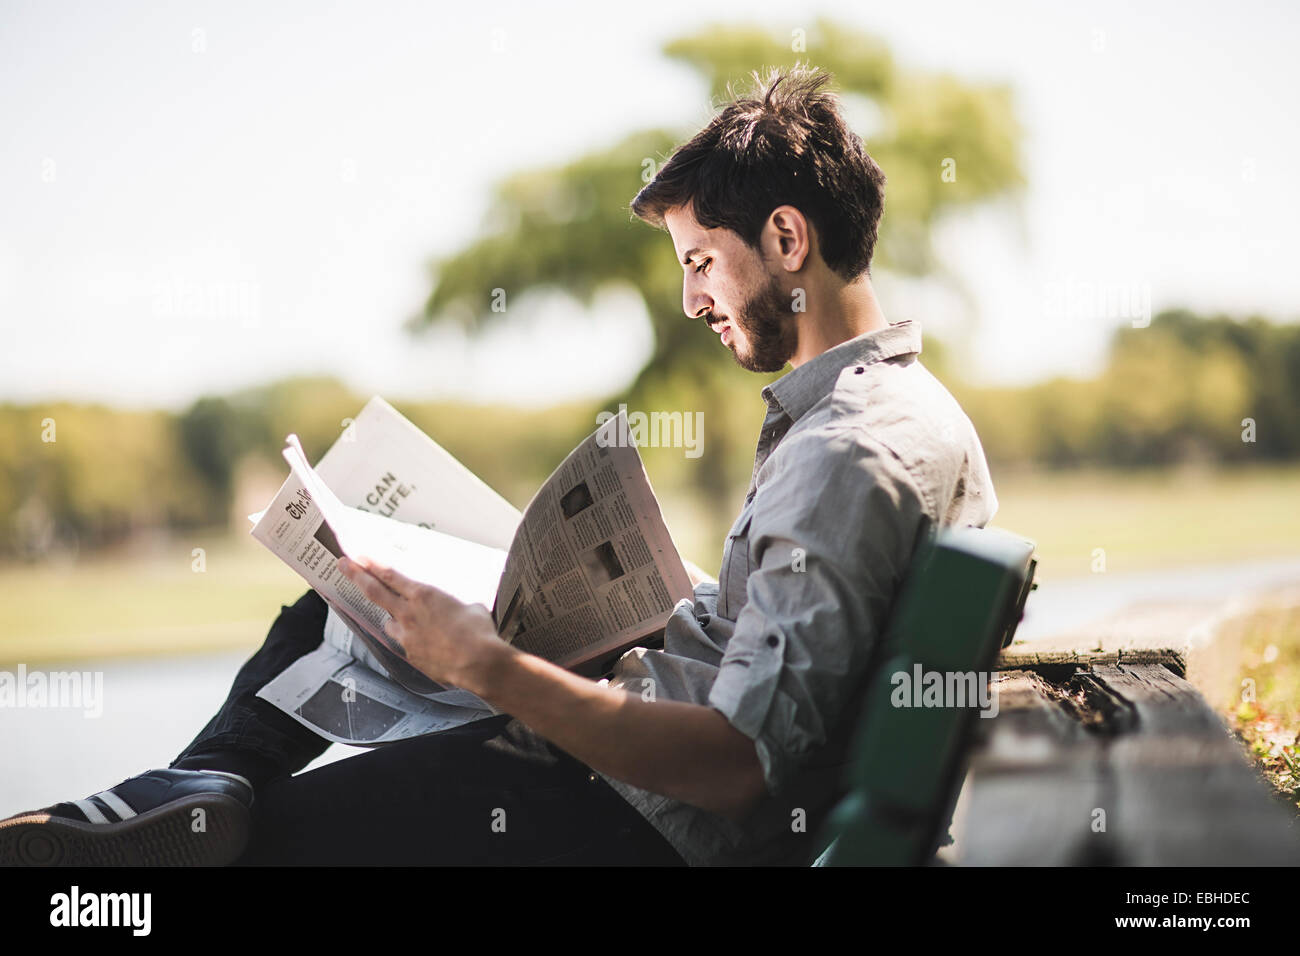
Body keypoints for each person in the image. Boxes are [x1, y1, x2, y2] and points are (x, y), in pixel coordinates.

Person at [0, 64, 997, 867]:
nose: (691, 300)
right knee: (354, 591)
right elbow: (787, 645)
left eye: (699, 259)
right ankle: (198, 785)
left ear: (786, 236)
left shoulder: (847, 447)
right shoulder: (882, 414)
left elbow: (737, 764)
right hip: (637, 768)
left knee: (272, 838)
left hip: (637, 814)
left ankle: (192, 801)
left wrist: (489, 662)